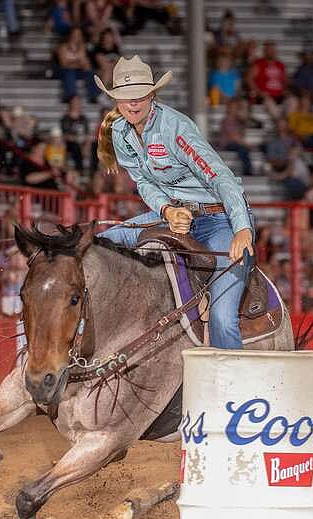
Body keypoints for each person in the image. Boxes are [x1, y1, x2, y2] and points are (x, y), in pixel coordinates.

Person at [95, 56, 260, 350]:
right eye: (125, 98)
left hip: (220, 218)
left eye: (140, 97)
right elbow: (143, 182)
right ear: (116, 99)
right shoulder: (119, 132)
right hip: (176, 217)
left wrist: (243, 229)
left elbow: (221, 177)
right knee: (100, 243)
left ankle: (235, 382)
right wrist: (167, 210)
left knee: (222, 317)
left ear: (152, 95)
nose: (132, 104)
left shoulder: (176, 128)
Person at [60, 96, 89, 173]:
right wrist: (76, 139)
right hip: (69, 143)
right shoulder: (65, 118)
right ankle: (79, 169)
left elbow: (87, 134)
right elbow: (64, 135)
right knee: (75, 146)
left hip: (81, 142)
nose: (76, 105)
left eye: (78, 103)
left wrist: (86, 145)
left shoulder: (83, 118)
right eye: (74, 103)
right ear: (70, 104)